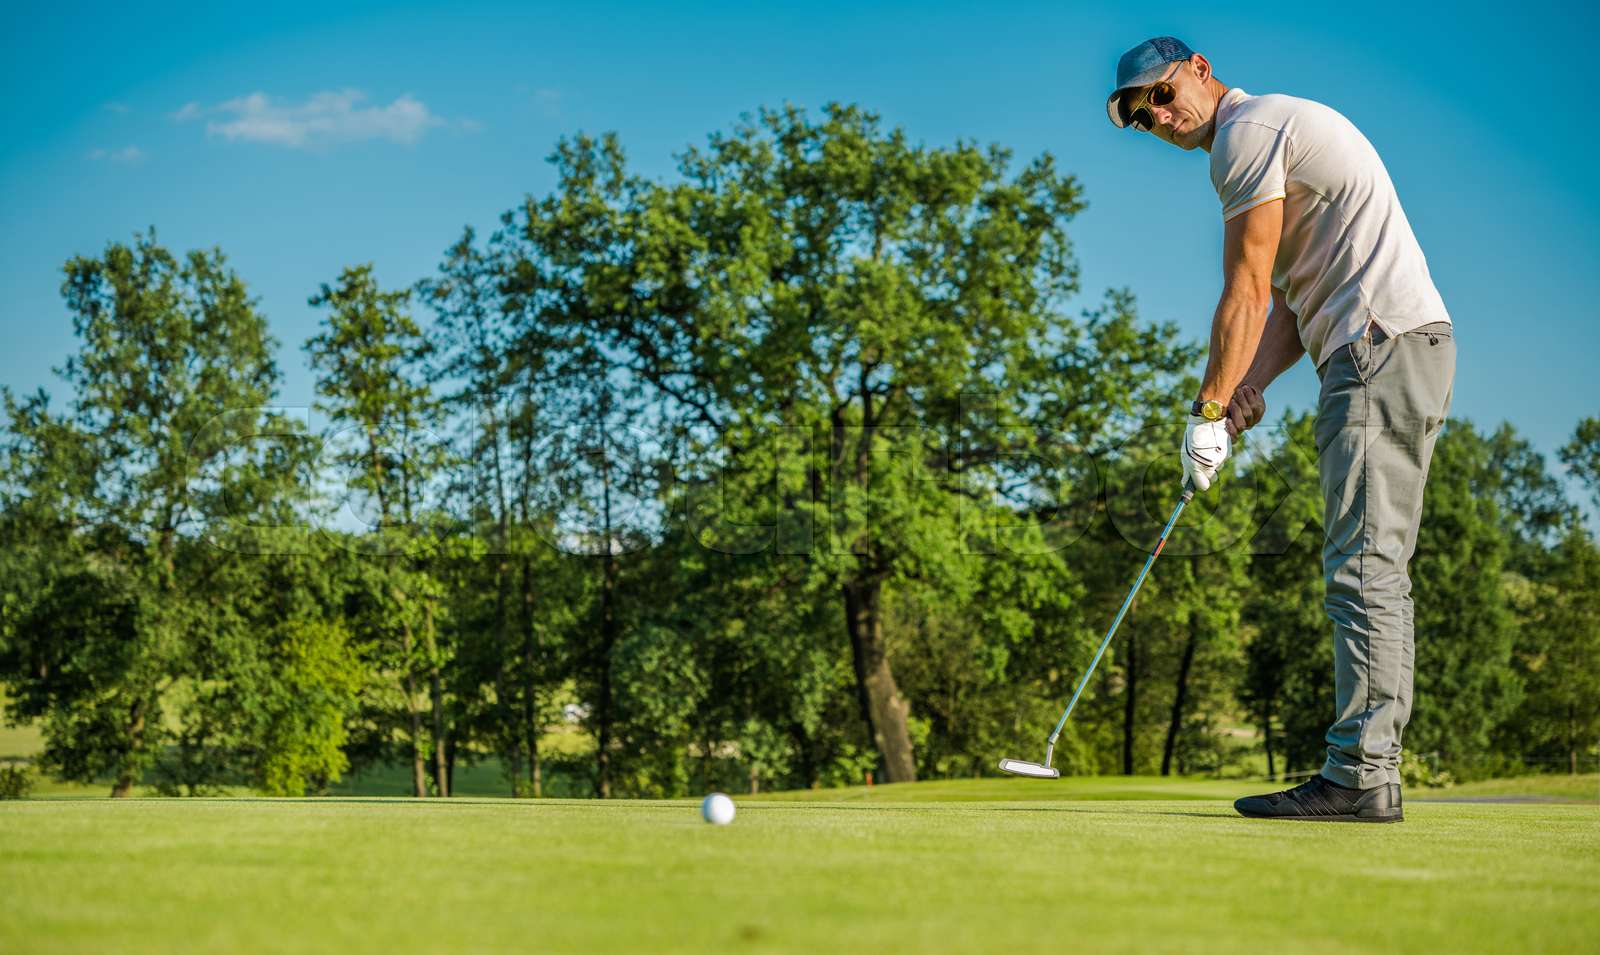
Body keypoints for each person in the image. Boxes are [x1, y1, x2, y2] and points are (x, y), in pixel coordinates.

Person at [1105, 37, 1455, 822]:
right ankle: (1366, 767)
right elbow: (1294, 302)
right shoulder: (1267, 136)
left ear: (1198, 67)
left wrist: (1204, 411)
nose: (1157, 117)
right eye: (1138, 116)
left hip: (1377, 349)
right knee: (1366, 560)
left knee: (1363, 564)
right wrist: (1248, 387)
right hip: (1382, 345)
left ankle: (1361, 774)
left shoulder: (1245, 133)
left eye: (1160, 95)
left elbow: (1248, 286)